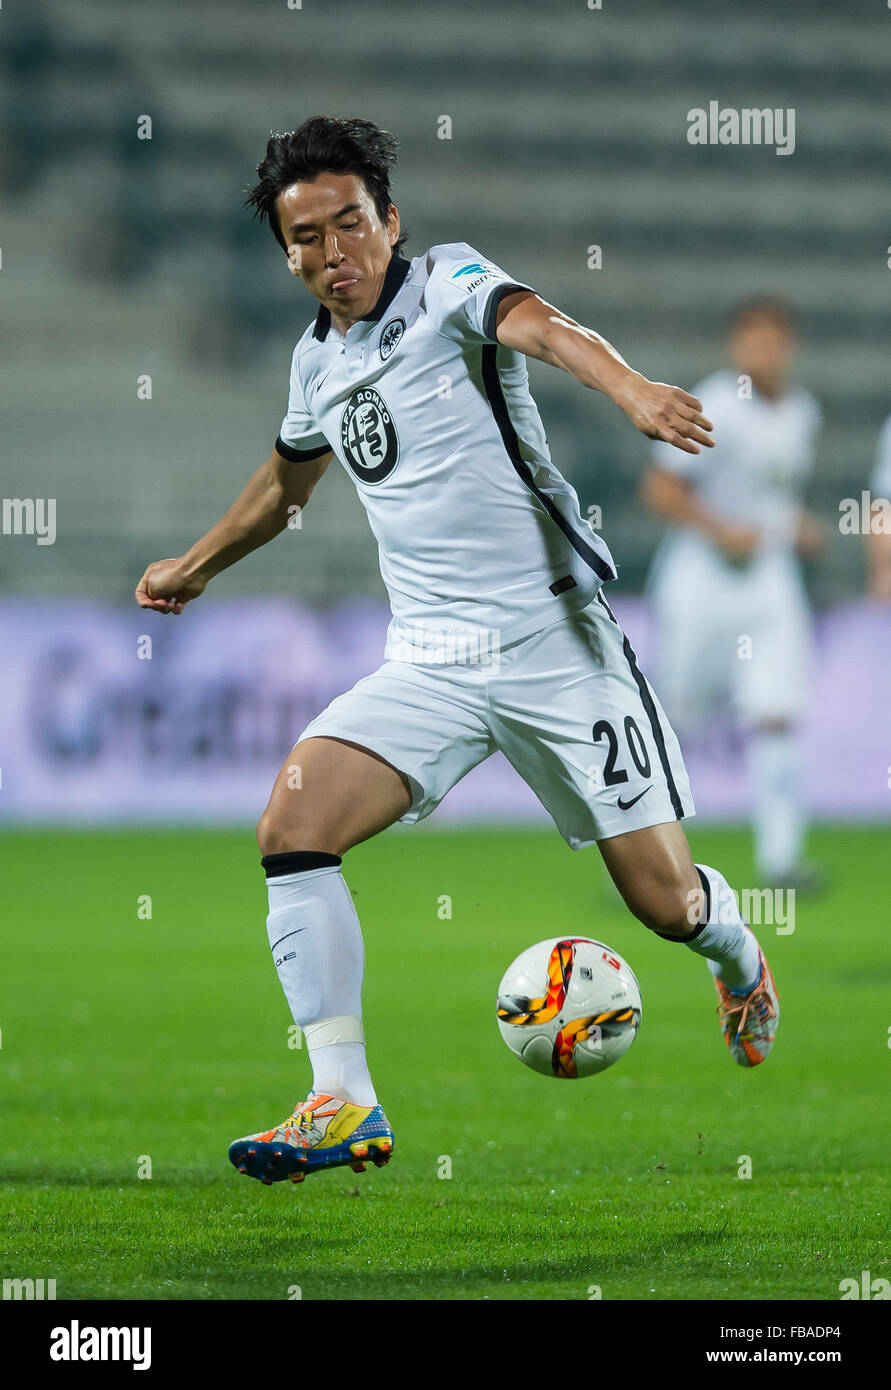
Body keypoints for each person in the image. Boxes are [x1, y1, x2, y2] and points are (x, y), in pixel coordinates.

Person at [135, 117, 778, 1188]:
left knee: (664, 905)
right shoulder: (314, 363)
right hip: (430, 657)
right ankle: (341, 1098)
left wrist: (629, 391)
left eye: (351, 223)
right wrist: (199, 563)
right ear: (286, 255)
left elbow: (542, 326)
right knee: (292, 825)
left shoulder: (447, 284)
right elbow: (287, 484)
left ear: (392, 221)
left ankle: (738, 951)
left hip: (555, 639)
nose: (334, 250)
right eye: (307, 237)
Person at [640, 300, 825, 891]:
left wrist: (795, 526)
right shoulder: (716, 404)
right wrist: (723, 531)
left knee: (777, 713)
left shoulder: (802, 413)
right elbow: (660, 489)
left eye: (774, 341)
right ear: (736, 347)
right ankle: (649, 864)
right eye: (753, 341)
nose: (763, 353)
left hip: (768, 578)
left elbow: (773, 496)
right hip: (702, 579)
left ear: (789, 347)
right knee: (673, 719)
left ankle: (782, 860)